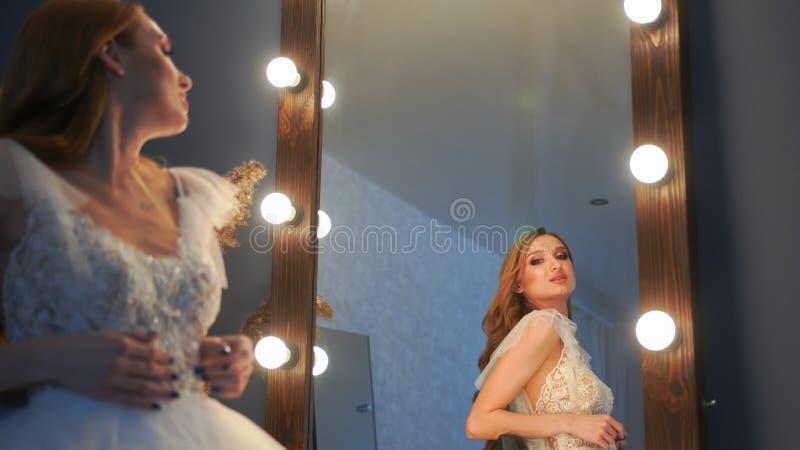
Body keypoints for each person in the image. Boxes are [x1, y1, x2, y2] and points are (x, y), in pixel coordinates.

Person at [0, 1, 284, 448]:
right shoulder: (14, 177)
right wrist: (48, 360)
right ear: (111, 55)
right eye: (165, 50)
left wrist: (205, 358)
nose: (184, 77)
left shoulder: (188, 197)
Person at [466, 228, 627, 450]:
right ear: (518, 284)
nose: (556, 265)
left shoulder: (565, 339)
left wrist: (605, 438)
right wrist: (572, 422)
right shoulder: (543, 324)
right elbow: (478, 422)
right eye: (537, 261)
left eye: (562, 256)